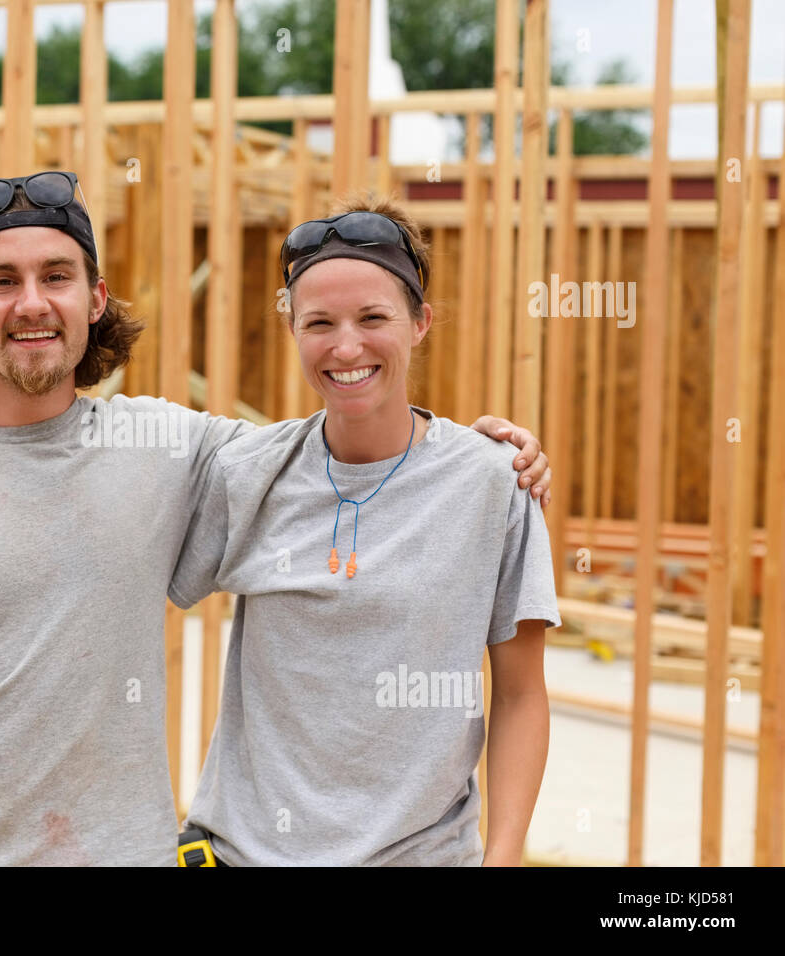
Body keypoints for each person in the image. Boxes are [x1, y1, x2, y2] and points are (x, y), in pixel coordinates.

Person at [0, 170, 550, 866]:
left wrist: (485, 455)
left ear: (95, 300)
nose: (31, 302)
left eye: (56, 276)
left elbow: (355, 445)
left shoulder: (170, 451)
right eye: (2, 281)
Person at [165, 193, 561, 865]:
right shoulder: (248, 474)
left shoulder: (493, 483)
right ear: (293, 330)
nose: (346, 346)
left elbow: (521, 693)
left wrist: (505, 856)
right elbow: (91, 481)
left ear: (420, 323)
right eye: (319, 322)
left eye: (373, 317)